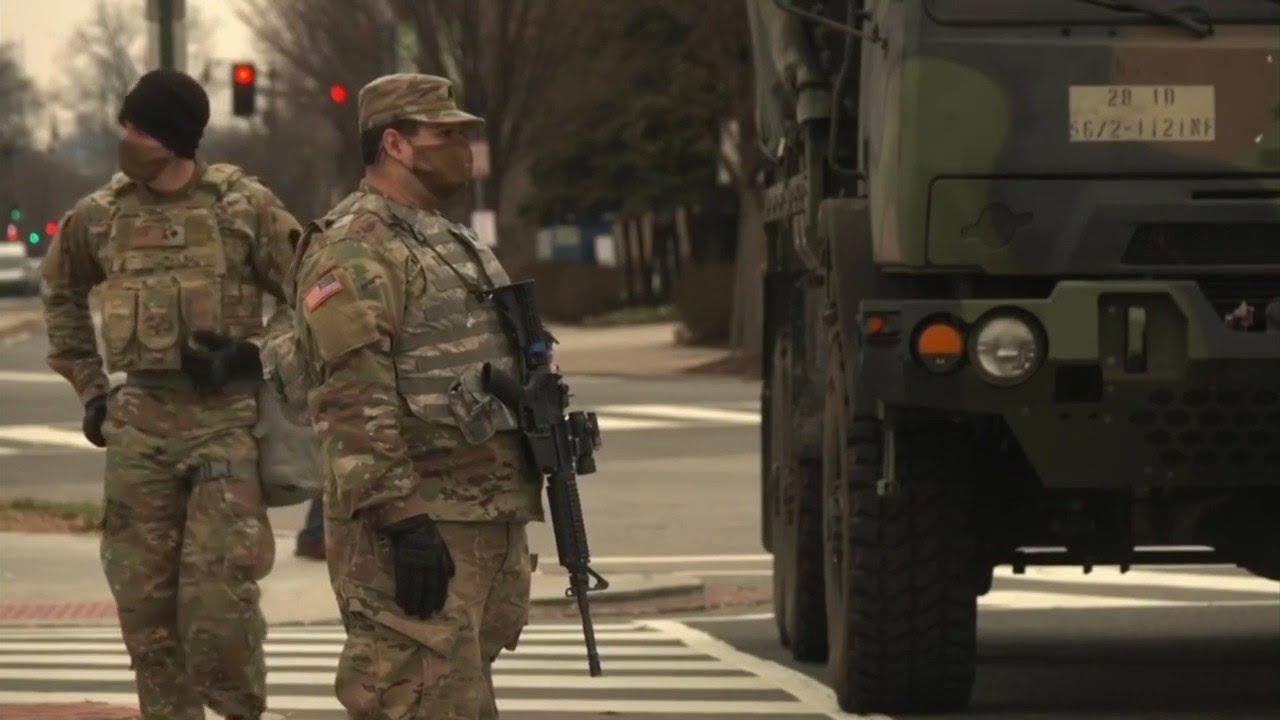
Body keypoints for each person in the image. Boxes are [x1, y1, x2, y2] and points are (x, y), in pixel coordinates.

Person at [40, 69, 300, 720]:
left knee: (218, 604)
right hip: (140, 430)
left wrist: (255, 354)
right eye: (126, 125)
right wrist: (92, 389)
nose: (127, 138)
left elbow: (315, 296)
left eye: (141, 127)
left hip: (224, 426)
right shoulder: (101, 215)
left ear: (178, 138)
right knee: (147, 613)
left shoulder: (244, 207)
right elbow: (61, 294)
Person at [288, 73, 544, 719]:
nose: (463, 147)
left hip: (480, 525)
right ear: (396, 144)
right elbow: (348, 397)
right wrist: (402, 520)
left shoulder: (448, 240)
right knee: (414, 703)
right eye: (447, 134)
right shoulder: (356, 244)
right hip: (415, 530)